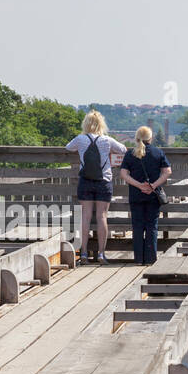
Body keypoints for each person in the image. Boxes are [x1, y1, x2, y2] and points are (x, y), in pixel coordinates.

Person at [66, 110, 126, 264]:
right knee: (102, 217)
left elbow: (68, 148)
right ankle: (101, 254)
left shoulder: (80, 139)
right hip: (103, 181)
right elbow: (123, 150)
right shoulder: (107, 140)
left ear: (85, 124)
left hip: (85, 180)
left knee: (85, 217)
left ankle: (84, 253)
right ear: (101, 124)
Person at [119, 125, 172, 266]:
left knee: (137, 227)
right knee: (151, 226)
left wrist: (139, 185)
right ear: (151, 138)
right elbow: (167, 172)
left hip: (136, 195)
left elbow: (123, 174)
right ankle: (150, 258)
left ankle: (138, 259)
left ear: (137, 138)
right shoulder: (158, 152)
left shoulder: (130, 154)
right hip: (153, 195)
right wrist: (153, 186)